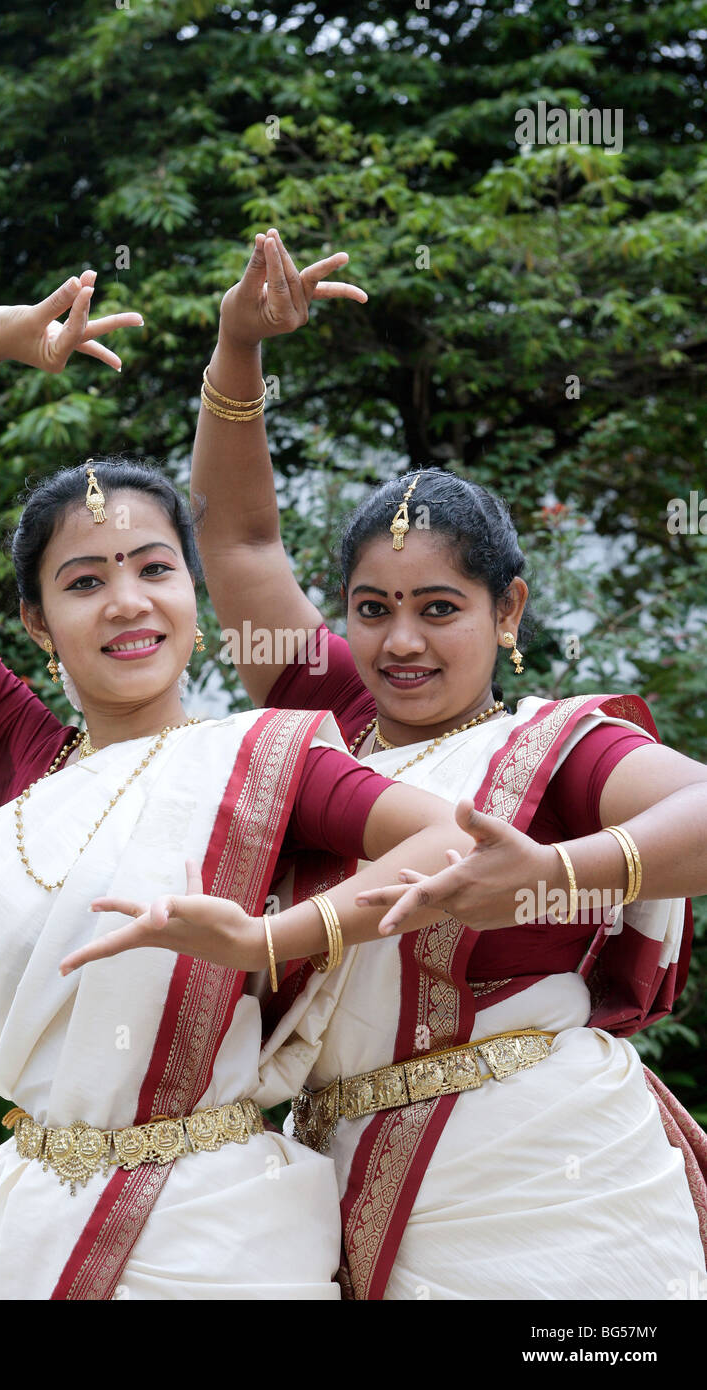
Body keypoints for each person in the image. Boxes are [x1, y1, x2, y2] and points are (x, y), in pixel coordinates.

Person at [0, 269, 556, 1301]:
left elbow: (457, 842)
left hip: (217, 1234)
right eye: (84, 581)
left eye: (154, 568)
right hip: (36, 1226)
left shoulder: (265, 758)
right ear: (35, 624)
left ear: (192, 595)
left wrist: (273, 939)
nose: (126, 602)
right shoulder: (20, 757)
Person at [162, 227, 707, 1300]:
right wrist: (236, 348)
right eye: (371, 610)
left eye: (437, 609)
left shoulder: (559, 748)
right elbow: (234, 546)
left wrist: (552, 874)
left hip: (551, 1180)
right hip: (341, 1176)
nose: (399, 641)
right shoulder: (323, 725)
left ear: (506, 611)